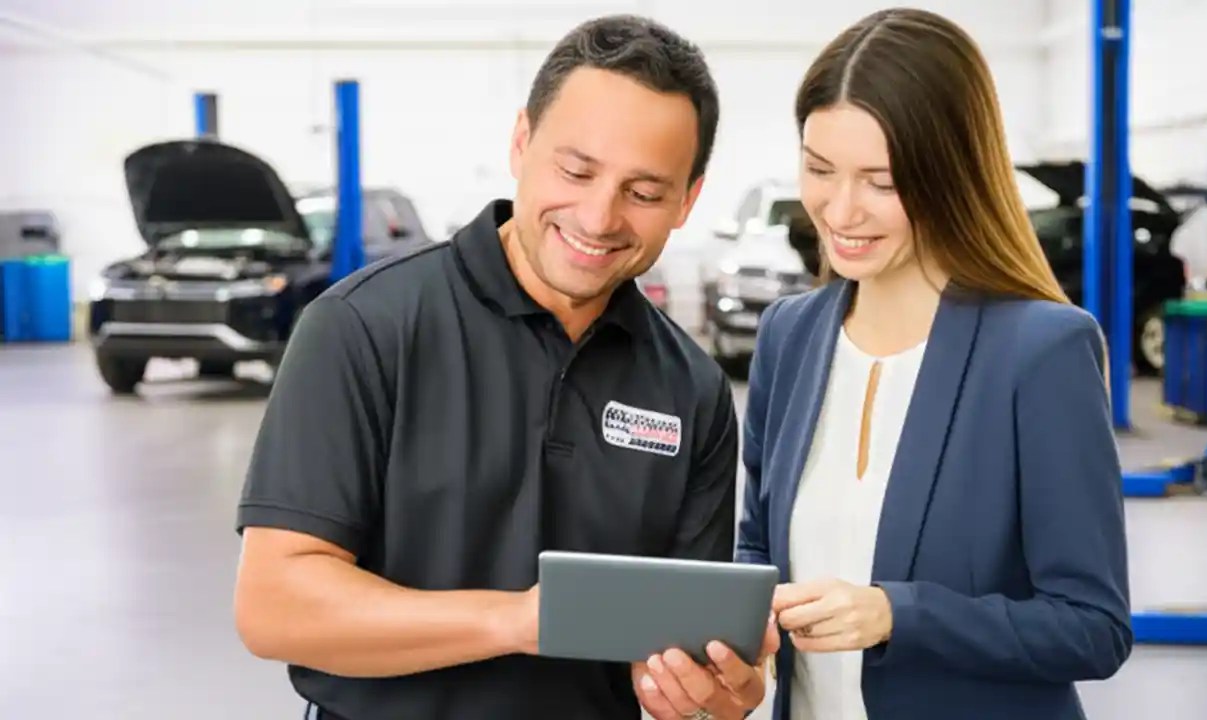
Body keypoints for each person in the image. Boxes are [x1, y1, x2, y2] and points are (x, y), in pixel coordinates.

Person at [232, 14, 775, 720]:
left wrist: (714, 692)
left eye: (643, 193)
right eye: (575, 170)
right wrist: (519, 621)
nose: (598, 215)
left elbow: (676, 649)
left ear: (687, 200)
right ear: (521, 143)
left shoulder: (691, 390)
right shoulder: (365, 327)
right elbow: (275, 607)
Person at [735, 8, 1133, 720]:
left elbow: (1092, 627)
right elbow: (758, 549)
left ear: (951, 175)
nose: (841, 210)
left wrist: (898, 615)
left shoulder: (1042, 352)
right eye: (820, 169)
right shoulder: (787, 337)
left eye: (881, 182)